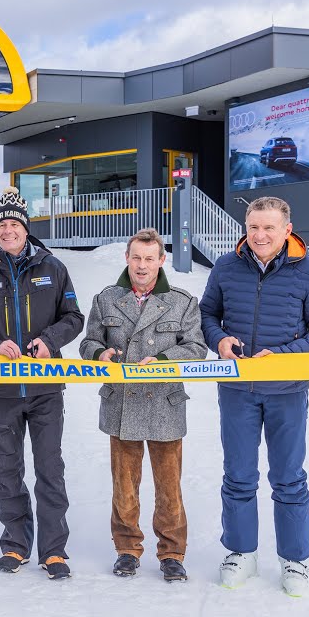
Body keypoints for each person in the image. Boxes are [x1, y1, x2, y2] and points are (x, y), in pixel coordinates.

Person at [199, 196, 309, 597]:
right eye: (253, 226)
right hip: (237, 391)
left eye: (268, 228)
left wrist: (280, 356)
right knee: (238, 476)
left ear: (286, 230)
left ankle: (294, 558)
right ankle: (241, 552)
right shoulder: (227, 266)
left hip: (287, 391)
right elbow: (208, 315)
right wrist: (220, 339)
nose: (259, 235)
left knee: (288, 478)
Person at [0, 187, 85, 580]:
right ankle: (15, 544)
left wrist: (49, 341)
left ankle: (54, 550)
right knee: (7, 469)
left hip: (46, 390)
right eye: (2, 225)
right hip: (2, 391)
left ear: (26, 229)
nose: (8, 231)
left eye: (14, 224)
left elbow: (74, 317)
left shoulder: (53, 267)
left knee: (50, 469)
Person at [78, 227, 208, 582]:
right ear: (127, 258)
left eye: (150, 258)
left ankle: (171, 552)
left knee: (169, 487)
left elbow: (197, 348)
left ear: (161, 261)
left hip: (164, 402)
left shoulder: (182, 301)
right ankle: (127, 549)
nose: (142, 265)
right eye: (136, 257)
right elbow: (88, 342)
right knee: (124, 485)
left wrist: (164, 357)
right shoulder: (107, 299)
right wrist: (100, 352)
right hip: (121, 404)